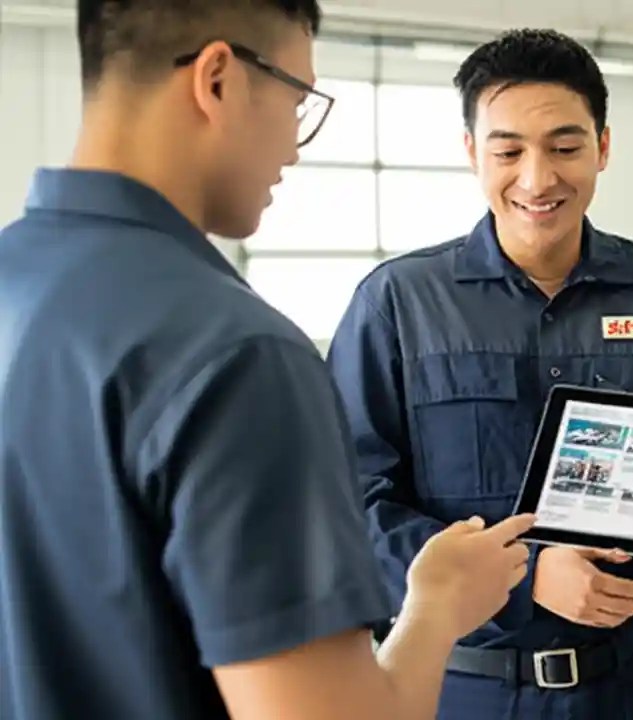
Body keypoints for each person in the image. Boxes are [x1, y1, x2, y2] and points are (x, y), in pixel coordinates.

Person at [0, 3, 536, 720]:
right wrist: (436, 607)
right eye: (297, 99)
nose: (296, 143)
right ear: (218, 79)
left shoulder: (16, 283)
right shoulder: (235, 352)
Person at [326, 28, 633, 720]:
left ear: (603, 147)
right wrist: (525, 578)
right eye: (508, 151)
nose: (538, 179)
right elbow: (347, 506)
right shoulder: (399, 304)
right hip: (467, 691)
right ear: (472, 153)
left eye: (564, 147)